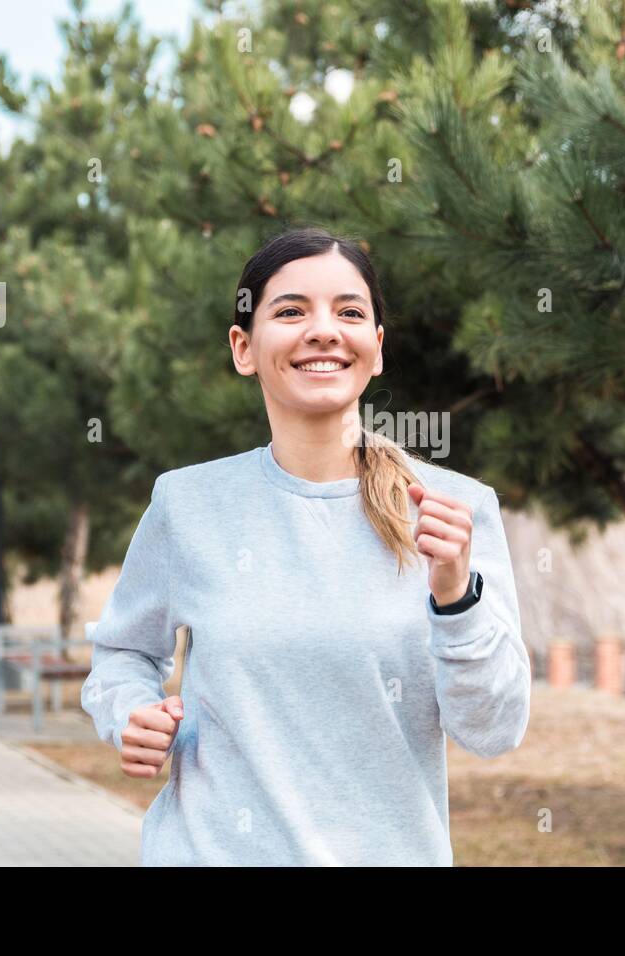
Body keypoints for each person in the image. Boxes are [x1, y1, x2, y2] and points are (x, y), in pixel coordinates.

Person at [80, 226, 531, 866]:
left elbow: (494, 729)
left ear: (375, 349)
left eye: (349, 312)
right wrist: (132, 713)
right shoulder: (187, 505)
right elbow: (123, 653)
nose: (323, 330)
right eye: (291, 310)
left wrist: (455, 598)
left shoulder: (455, 512)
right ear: (243, 347)